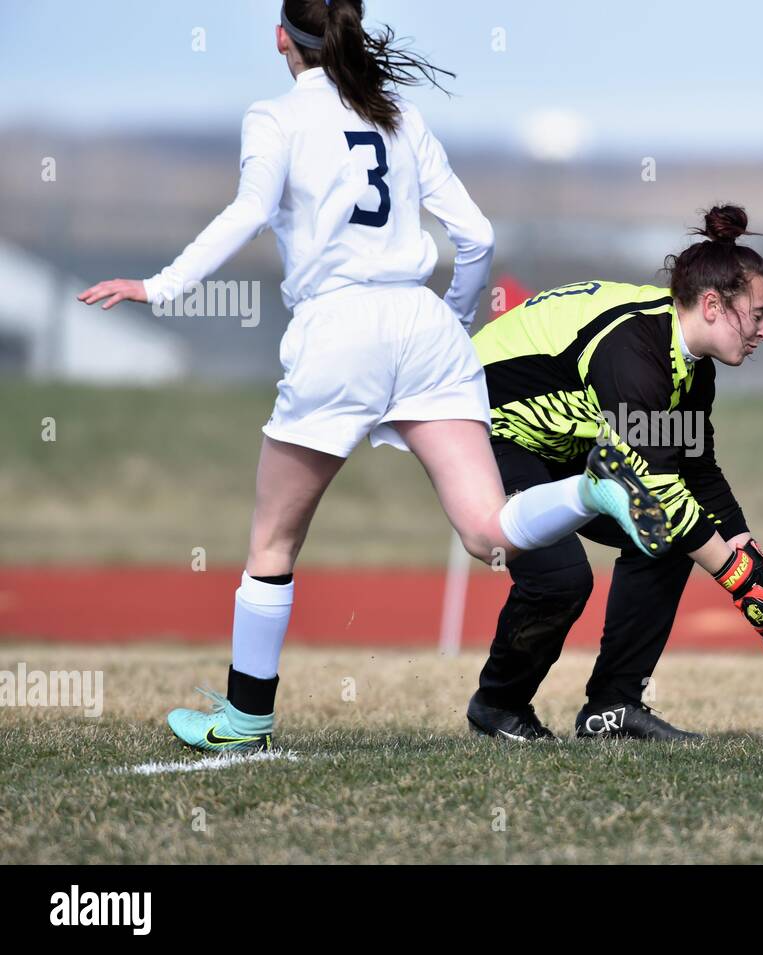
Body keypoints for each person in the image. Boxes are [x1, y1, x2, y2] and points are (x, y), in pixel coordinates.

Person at [76, 0, 668, 753]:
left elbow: (247, 211)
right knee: (489, 531)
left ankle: (246, 718)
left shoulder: (275, 115)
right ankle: (592, 489)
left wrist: (158, 286)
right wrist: (451, 323)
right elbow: (477, 236)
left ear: (281, 39)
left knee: (272, 544)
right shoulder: (399, 116)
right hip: (422, 325)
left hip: (340, 327)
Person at [466, 205, 763, 741]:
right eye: (761, 314)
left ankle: (611, 706)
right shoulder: (635, 352)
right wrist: (741, 584)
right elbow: (654, 485)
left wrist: (758, 569)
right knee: (561, 579)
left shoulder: (691, 366)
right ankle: (497, 704)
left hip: (566, 443)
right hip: (491, 431)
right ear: (712, 305)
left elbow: (698, 475)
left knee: (668, 538)